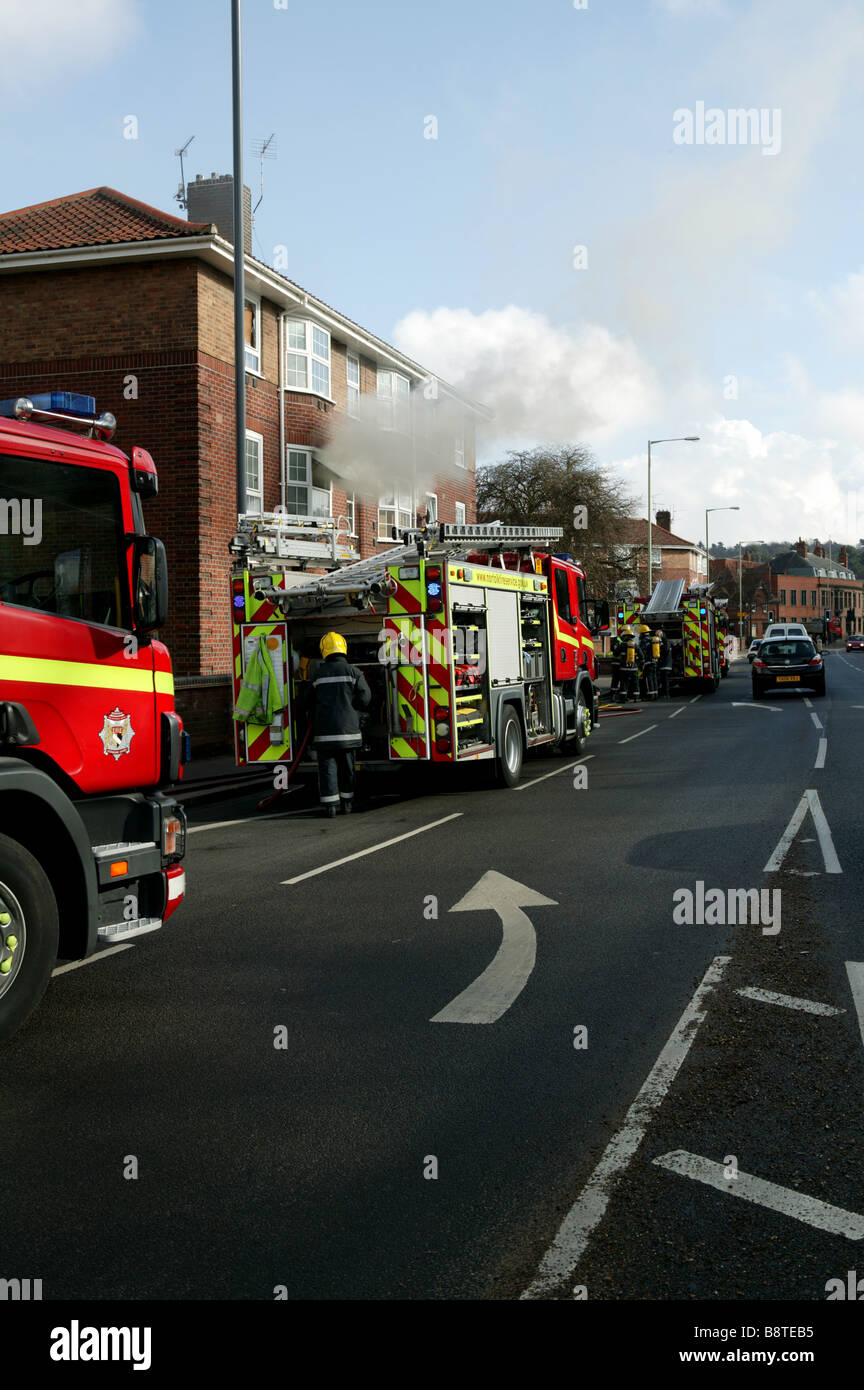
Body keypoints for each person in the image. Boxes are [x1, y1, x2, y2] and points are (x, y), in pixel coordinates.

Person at [303, 632, 371, 817]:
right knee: (348, 768)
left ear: (324, 650)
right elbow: (365, 699)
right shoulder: (354, 672)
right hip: (349, 732)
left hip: (324, 733)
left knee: (327, 769)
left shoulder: (317, 674)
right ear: (343, 649)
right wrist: (352, 709)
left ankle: (330, 806)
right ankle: (347, 802)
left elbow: (306, 701)